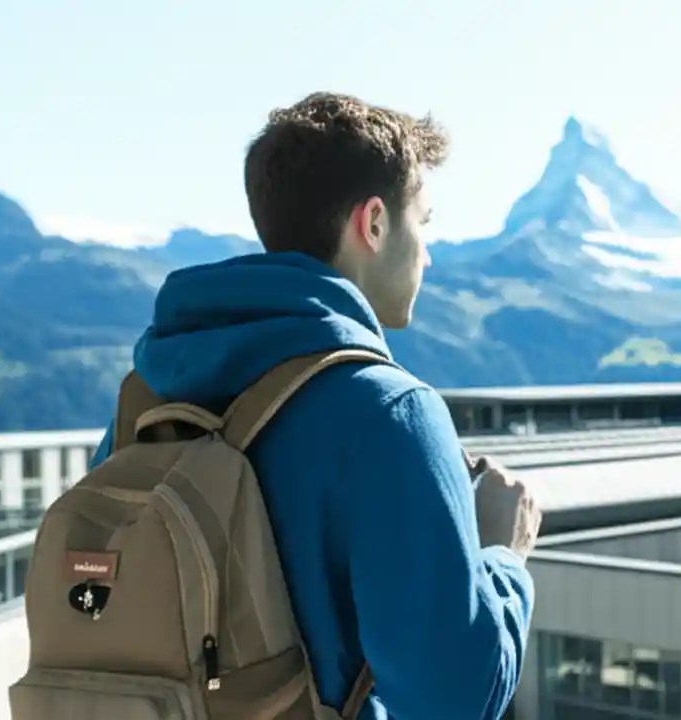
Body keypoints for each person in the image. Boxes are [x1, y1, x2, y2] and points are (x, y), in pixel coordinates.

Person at [88, 91, 542, 719]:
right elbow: (456, 700)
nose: (429, 254)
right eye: (425, 223)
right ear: (375, 223)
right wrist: (502, 556)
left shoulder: (142, 400)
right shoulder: (391, 412)